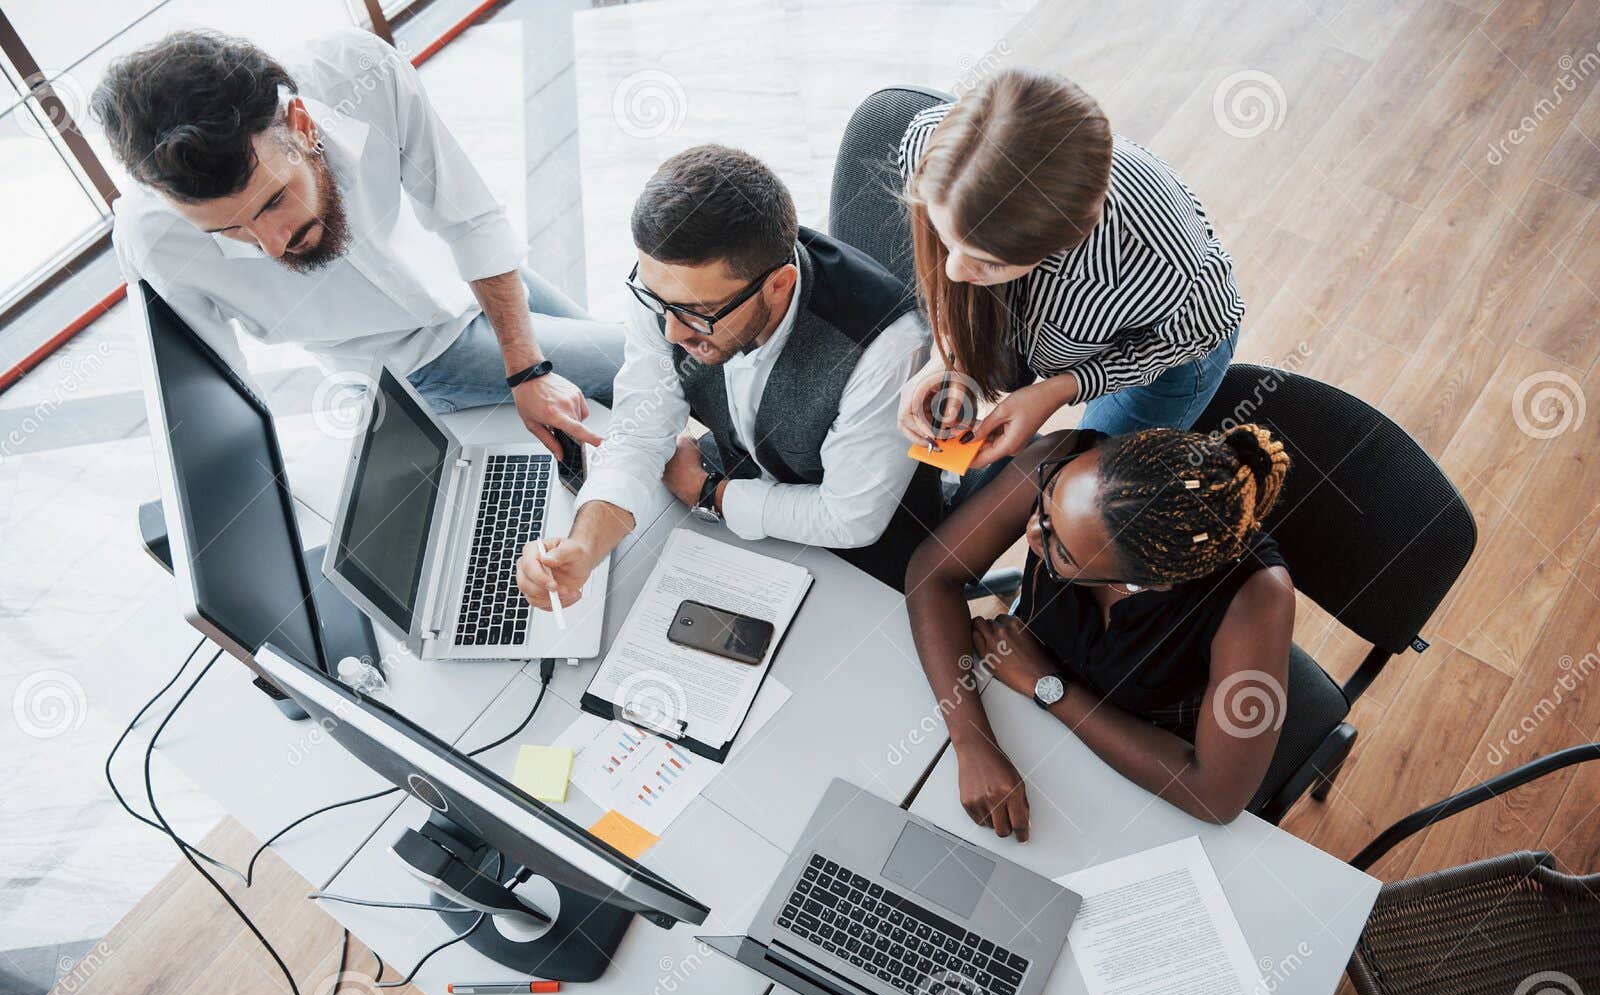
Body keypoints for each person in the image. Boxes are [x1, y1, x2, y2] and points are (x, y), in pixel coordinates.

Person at [93, 28, 621, 456]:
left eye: (274, 200)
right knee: (648, 356)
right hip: (414, 361)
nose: (273, 246)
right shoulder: (152, 240)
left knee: (648, 360)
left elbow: (469, 218)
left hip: (469, 276)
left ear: (300, 126)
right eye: (228, 231)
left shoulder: (359, 71)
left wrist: (527, 369)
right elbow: (223, 391)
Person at [516, 144, 937, 606]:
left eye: (698, 314)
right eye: (659, 302)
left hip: (863, 558)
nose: (672, 331)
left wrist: (709, 493)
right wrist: (583, 546)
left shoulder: (887, 347)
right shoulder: (669, 290)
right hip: (739, 499)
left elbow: (850, 518)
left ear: (779, 285)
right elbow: (640, 436)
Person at [905, 423, 1294, 841]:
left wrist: (1049, 688)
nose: (1033, 530)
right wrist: (972, 740)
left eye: (1061, 552)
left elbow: (1215, 796)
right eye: (1046, 503)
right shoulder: (1065, 455)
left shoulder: (1257, 600)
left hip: (1136, 770)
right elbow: (933, 572)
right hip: (1015, 704)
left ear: (1143, 583)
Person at [896, 69, 1245, 470]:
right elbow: (957, 282)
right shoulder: (930, 147)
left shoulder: (1161, 257)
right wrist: (947, 355)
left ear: (1068, 240)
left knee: (1091, 483)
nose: (954, 271)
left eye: (990, 261)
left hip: (1170, 348)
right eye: (946, 239)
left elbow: (1209, 324)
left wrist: (1061, 389)